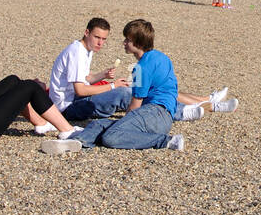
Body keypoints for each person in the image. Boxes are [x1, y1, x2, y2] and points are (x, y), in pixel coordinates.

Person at [67, 19, 185, 151]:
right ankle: (77, 142)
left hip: (154, 114)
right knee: (99, 124)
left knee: (111, 137)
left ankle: (167, 141)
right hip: (163, 115)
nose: (124, 43)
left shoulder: (141, 68)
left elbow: (134, 106)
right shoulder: (161, 57)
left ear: (138, 42)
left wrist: (125, 124)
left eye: (127, 40)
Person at [49, 17, 133, 120]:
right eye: (97, 37)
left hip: (75, 99)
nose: (100, 43)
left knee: (127, 89)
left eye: (103, 39)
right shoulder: (77, 52)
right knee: (124, 93)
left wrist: (104, 75)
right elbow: (80, 90)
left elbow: (86, 79)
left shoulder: (86, 49)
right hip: (68, 107)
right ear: (86, 32)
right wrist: (113, 85)